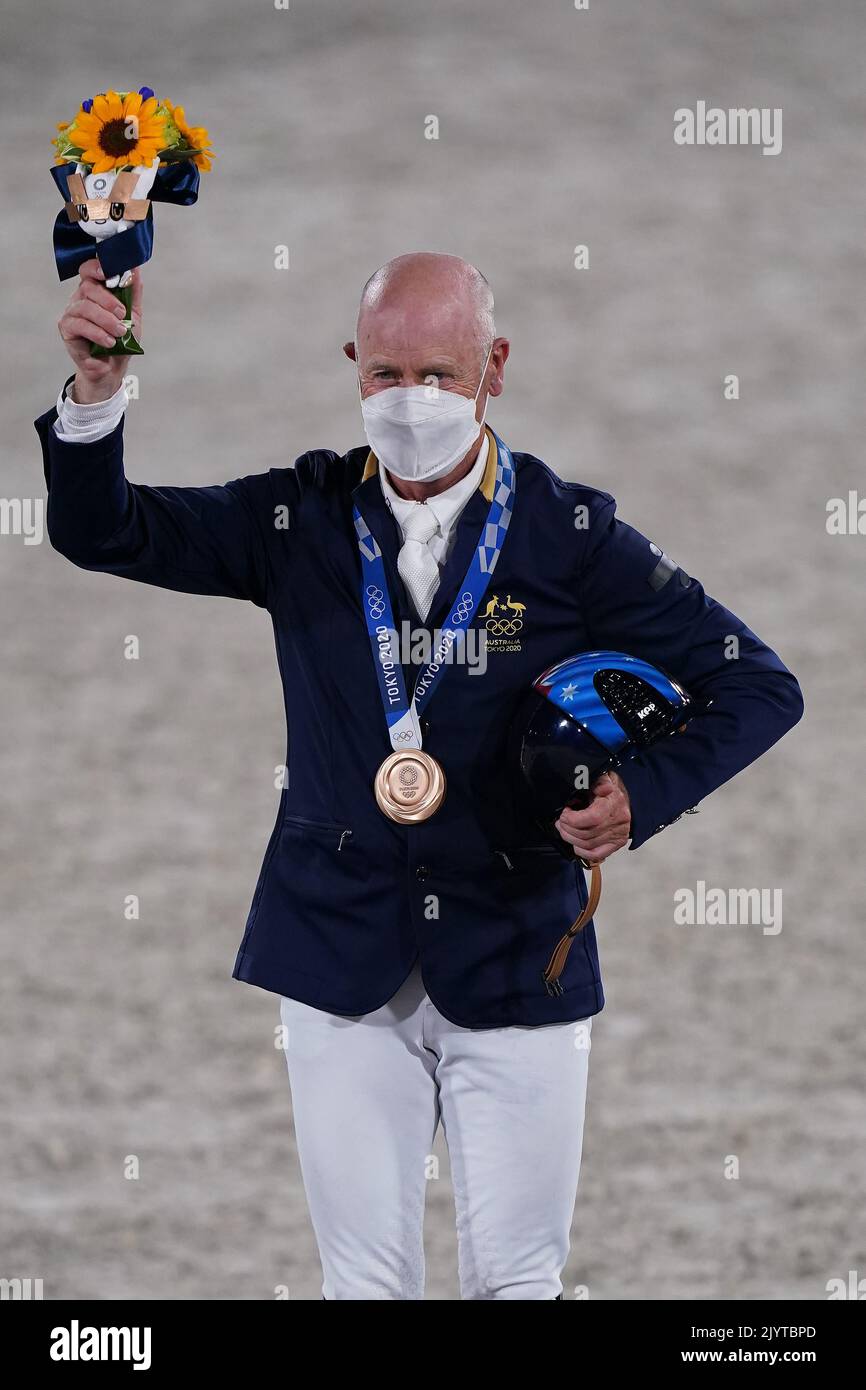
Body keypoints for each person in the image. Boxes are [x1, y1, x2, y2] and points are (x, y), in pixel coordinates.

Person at [36, 251, 803, 1300]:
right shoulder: (295, 518)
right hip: (337, 945)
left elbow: (756, 684)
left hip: (517, 942)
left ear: (494, 365)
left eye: (438, 375)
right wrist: (94, 391)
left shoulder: (568, 536)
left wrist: (641, 797)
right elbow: (102, 530)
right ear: (353, 366)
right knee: (365, 1286)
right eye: (386, 375)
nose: (411, 401)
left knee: (517, 1281)